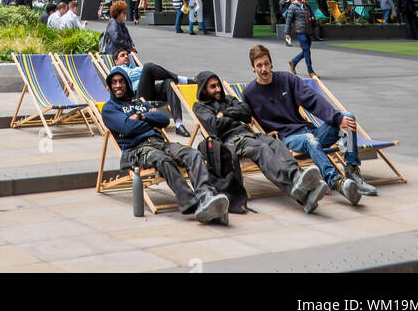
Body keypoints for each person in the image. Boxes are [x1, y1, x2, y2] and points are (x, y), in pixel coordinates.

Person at [242, 45, 376, 203]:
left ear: (271, 63)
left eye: (266, 64)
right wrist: (264, 137)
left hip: (311, 131)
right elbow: (245, 122)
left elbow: (312, 99)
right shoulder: (249, 93)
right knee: (309, 139)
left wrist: (337, 118)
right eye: (259, 65)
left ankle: (352, 171)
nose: (264, 69)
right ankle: (337, 183)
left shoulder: (287, 79)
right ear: (253, 68)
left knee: (348, 118)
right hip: (288, 140)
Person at [101, 65, 229, 223]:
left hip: (160, 142)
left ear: (127, 83)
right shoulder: (109, 109)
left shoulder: (139, 103)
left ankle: (206, 195)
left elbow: (163, 119)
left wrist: (141, 117)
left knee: (192, 153)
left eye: (121, 81)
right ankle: (192, 203)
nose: (118, 85)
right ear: (110, 85)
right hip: (138, 149)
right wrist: (149, 118)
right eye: (114, 82)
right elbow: (127, 128)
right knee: (163, 160)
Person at [193, 70, 327, 214]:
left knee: (275, 143)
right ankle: (298, 189)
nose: (218, 89)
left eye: (218, 85)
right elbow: (214, 126)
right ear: (204, 90)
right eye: (213, 87)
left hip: (249, 134)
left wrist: (225, 114)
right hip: (232, 140)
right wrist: (231, 115)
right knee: (262, 148)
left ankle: (297, 177)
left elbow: (246, 112)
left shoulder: (228, 101)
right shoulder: (200, 107)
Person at [111, 47, 192, 136]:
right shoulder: (116, 70)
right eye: (122, 55)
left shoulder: (134, 68)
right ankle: (180, 79)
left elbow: (142, 74)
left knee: (169, 82)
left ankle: (179, 124)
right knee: (148, 67)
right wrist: (146, 70)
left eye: (127, 54)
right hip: (137, 98)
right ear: (116, 61)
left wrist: (146, 70)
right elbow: (128, 75)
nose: (126, 56)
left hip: (149, 92)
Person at [285, 0, 316, 75]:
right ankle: (311, 71)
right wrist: (287, 33)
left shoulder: (305, 6)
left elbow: (310, 15)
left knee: (306, 50)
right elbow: (288, 21)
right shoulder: (292, 7)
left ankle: (293, 62)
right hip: (300, 31)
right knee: (306, 50)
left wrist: (311, 19)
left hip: (307, 30)